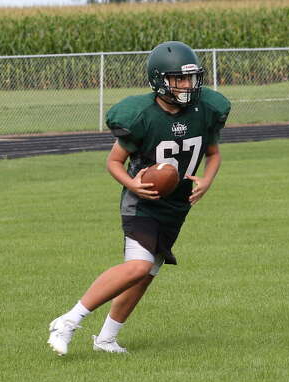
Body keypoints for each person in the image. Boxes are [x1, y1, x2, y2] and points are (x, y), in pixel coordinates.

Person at [47, 41, 231, 355]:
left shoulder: (205, 110)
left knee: (145, 275)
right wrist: (133, 184)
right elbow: (113, 162)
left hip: (176, 206)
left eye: (190, 78)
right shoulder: (142, 115)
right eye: (179, 79)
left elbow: (213, 154)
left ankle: (106, 339)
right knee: (137, 267)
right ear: (160, 80)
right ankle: (68, 321)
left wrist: (207, 179)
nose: (187, 85)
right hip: (142, 203)